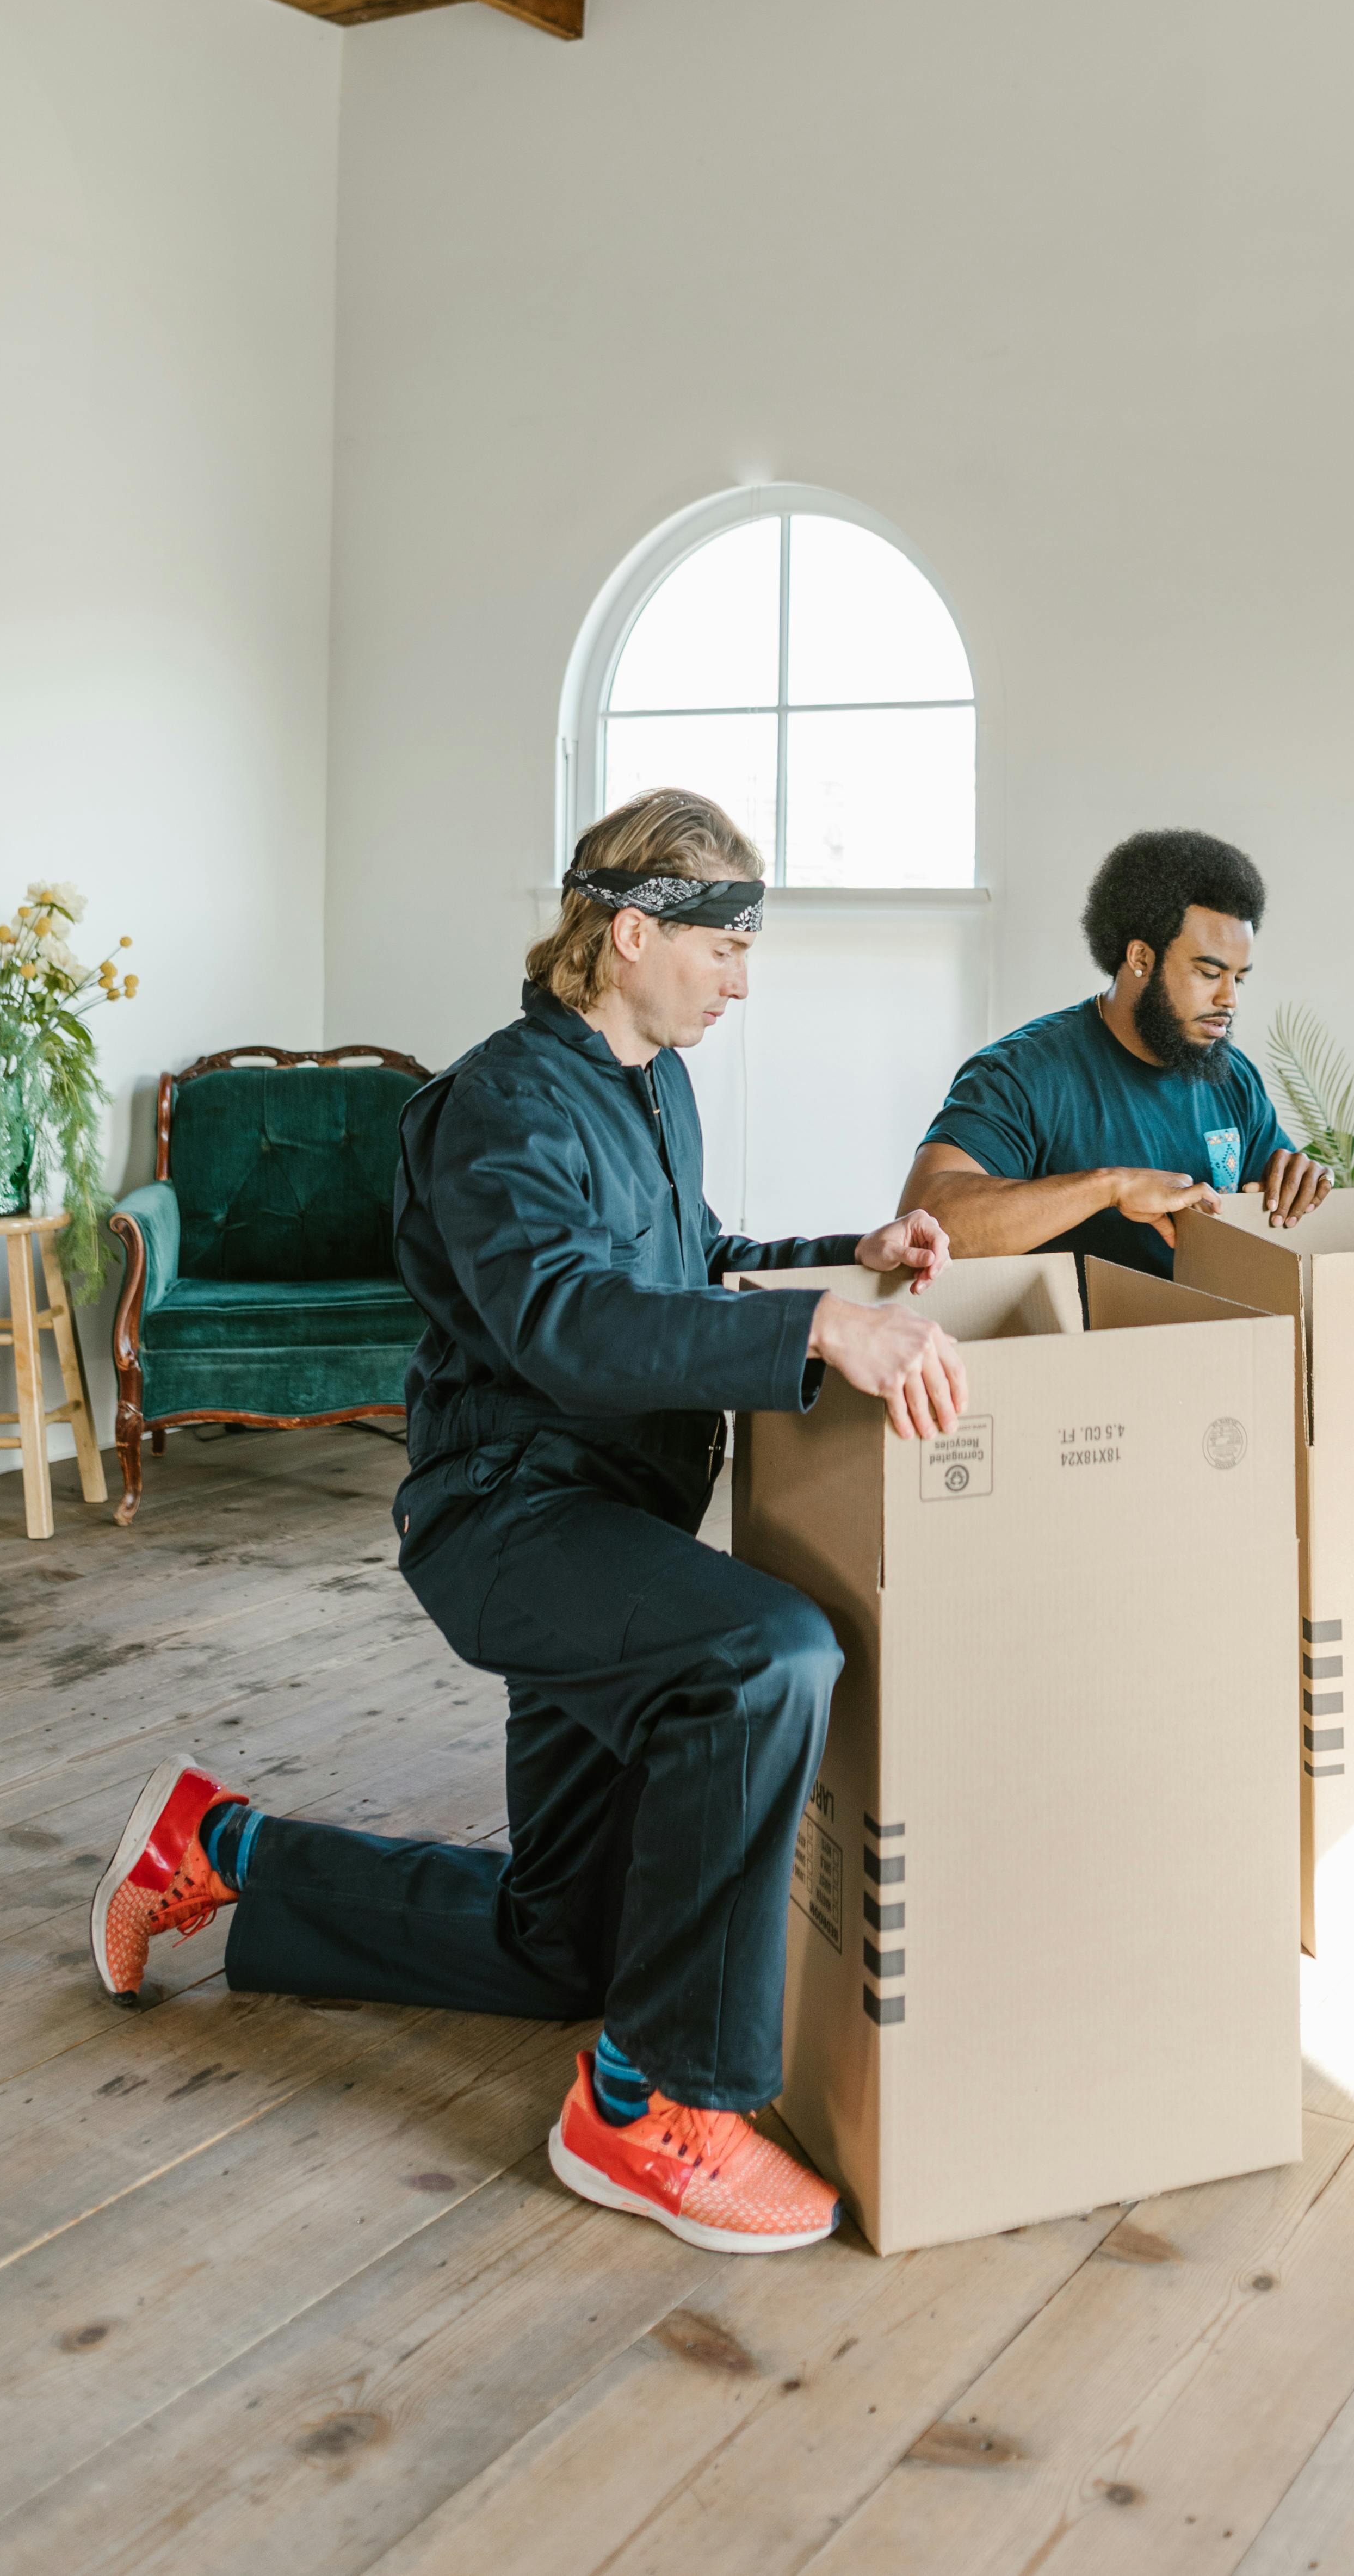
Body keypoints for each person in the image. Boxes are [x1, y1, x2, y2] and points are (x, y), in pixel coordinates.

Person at [88, 788, 966, 2258]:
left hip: (612, 1529)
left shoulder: (652, 1084)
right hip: (511, 1525)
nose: (742, 978)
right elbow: (564, 1318)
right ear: (631, 933)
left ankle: (219, 1843)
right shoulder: (493, 1105)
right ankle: (655, 2101)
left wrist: (843, 1256)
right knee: (767, 1659)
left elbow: (691, 1262)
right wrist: (819, 1332)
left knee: (559, 1941)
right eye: (725, 946)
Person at [901, 826, 1332, 1280]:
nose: (1230, 1000)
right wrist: (1110, 1187)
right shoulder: (1021, 1073)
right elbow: (925, 1221)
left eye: (1238, 979)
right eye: (1209, 973)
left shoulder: (1231, 1076)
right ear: (1140, 958)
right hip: (1078, 1346)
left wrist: (1297, 1184)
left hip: (1216, 1340)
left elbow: (1273, 1214)